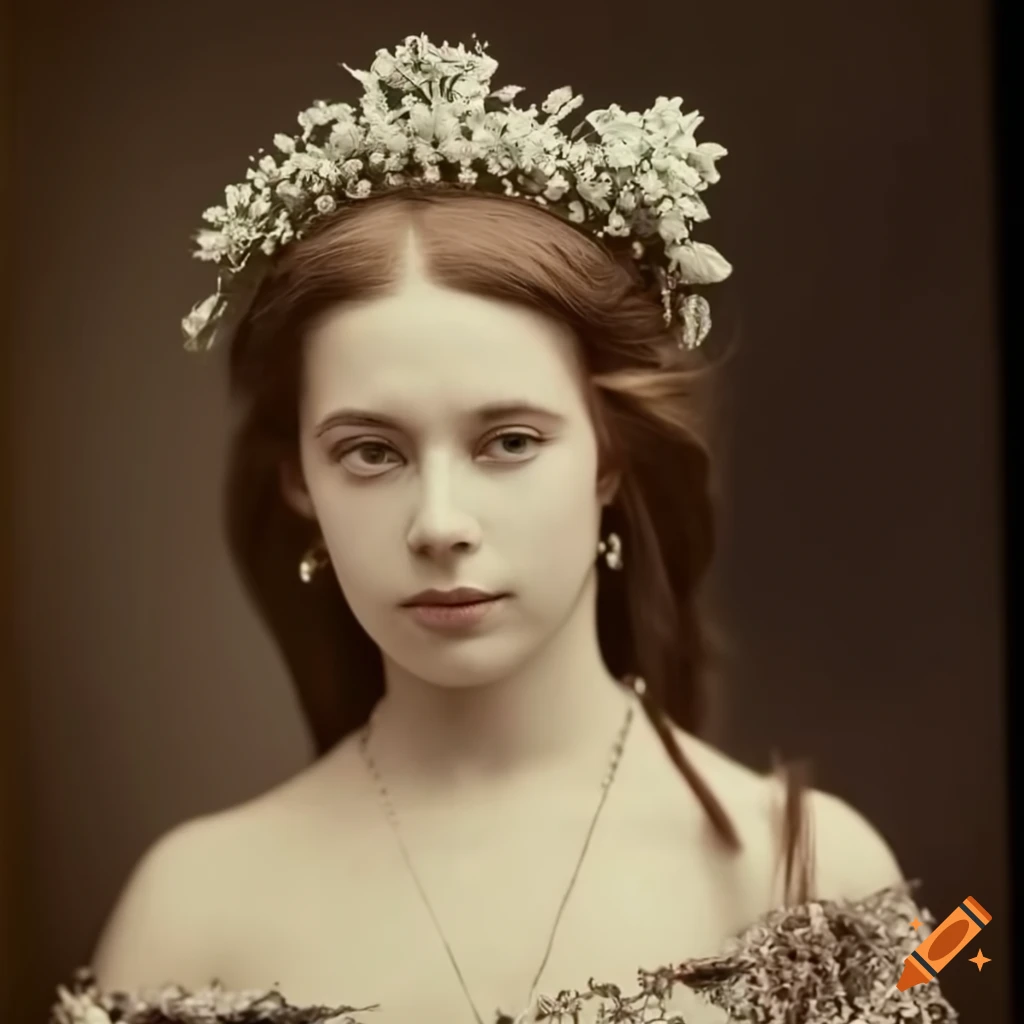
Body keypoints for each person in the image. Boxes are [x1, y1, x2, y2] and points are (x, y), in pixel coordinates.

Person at [54, 35, 957, 1024]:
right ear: (300, 484)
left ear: (608, 458)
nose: (440, 523)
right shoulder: (190, 913)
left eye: (510, 440)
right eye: (371, 452)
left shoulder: (810, 881)